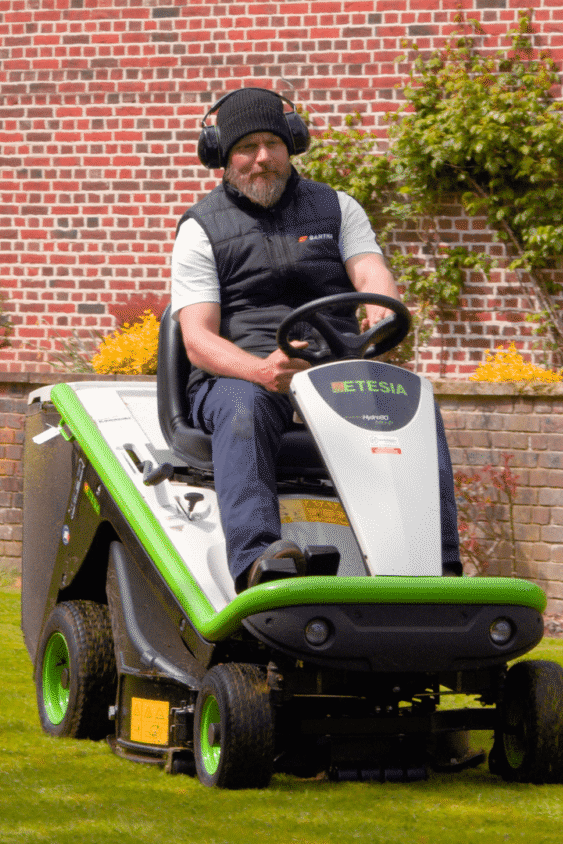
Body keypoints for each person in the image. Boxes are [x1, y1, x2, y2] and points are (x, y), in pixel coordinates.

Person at [168, 87, 461, 591]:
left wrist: (378, 301)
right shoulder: (200, 229)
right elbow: (197, 340)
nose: (262, 158)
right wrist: (260, 370)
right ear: (221, 156)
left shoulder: (338, 208)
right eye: (246, 147)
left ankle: (438, 565)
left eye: (273, 144)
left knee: (411, 402)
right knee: (245, 405)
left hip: (336, 368)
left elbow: (371, 273)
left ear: (292, 145)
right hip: (245, 374)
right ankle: (260, 561)